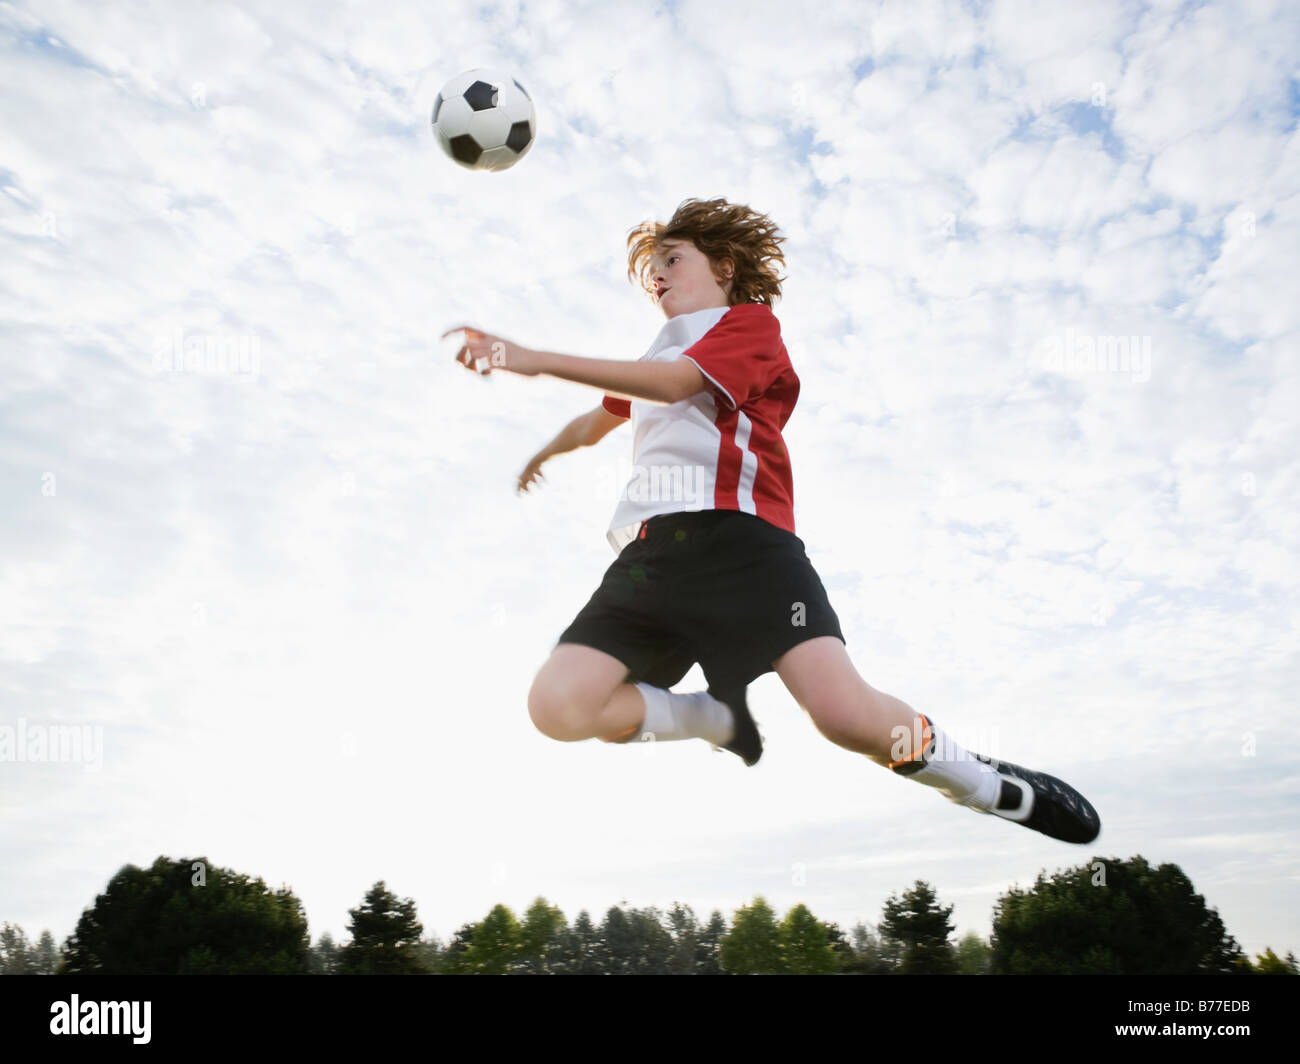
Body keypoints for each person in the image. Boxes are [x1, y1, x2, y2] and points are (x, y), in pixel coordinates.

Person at [442, 197, 1100, 844]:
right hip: (651, 558)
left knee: (845, 718)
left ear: (724, 266)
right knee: (558, 707)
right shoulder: (651, 359)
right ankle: (710, 718)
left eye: (674, 258)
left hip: (745, 547)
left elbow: (675, 387)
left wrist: (530, 357)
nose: (659, 275)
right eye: (653, 269)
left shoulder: (747, 327)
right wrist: (544, 452)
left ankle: (989, 787)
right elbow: (594, 422)